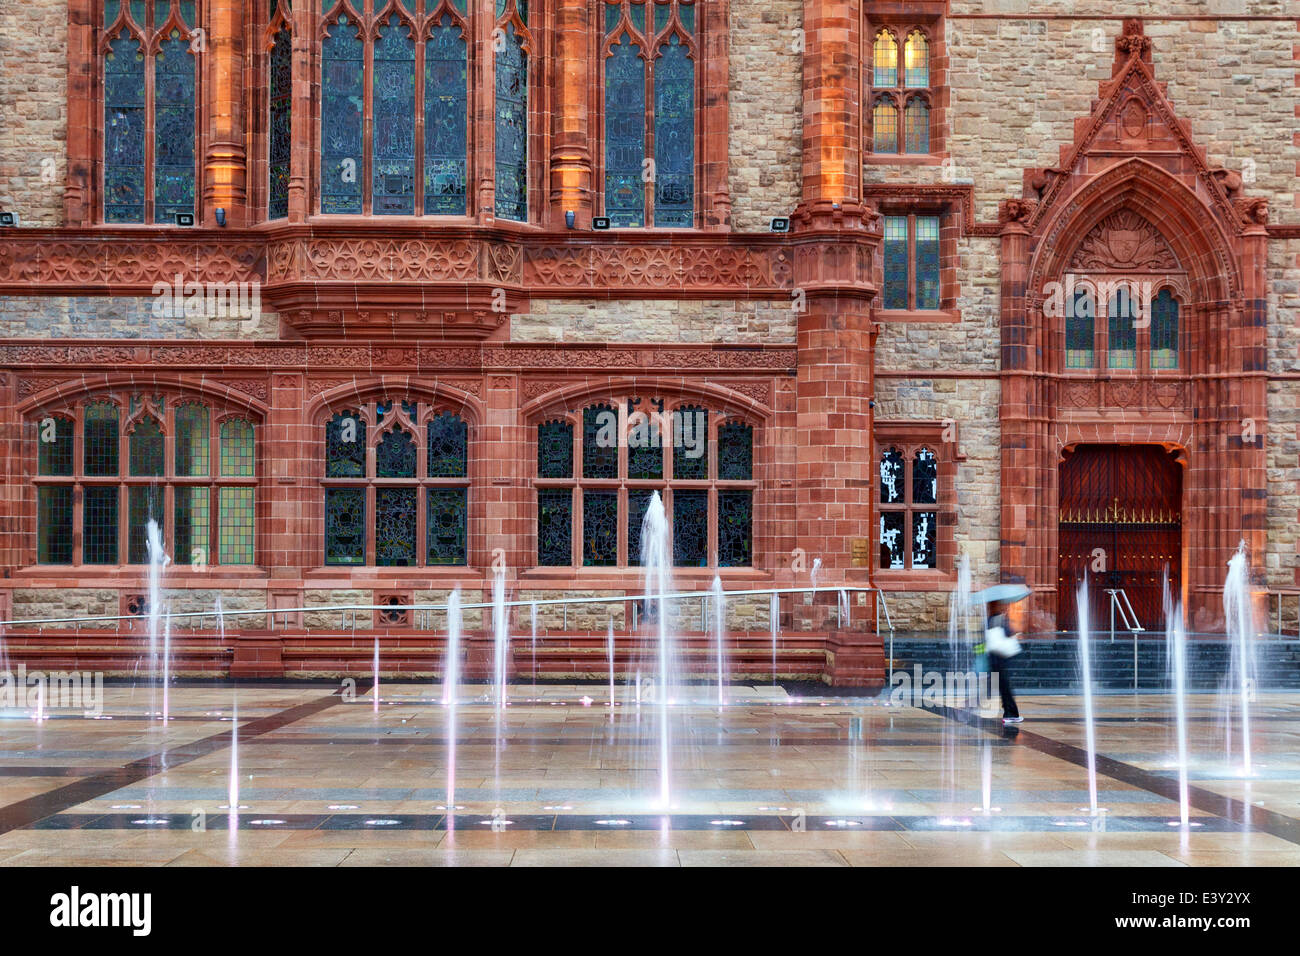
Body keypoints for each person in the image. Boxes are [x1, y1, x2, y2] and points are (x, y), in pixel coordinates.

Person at [984, 601, 1022, 724]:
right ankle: (1011, 714)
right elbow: (1007, 633)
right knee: (1005, 687)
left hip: (993, 658)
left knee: (1003, 687)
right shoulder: (999, 619)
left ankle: (1009, 712)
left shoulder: (989, 619)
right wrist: (1014, 632)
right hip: (1000, 658)